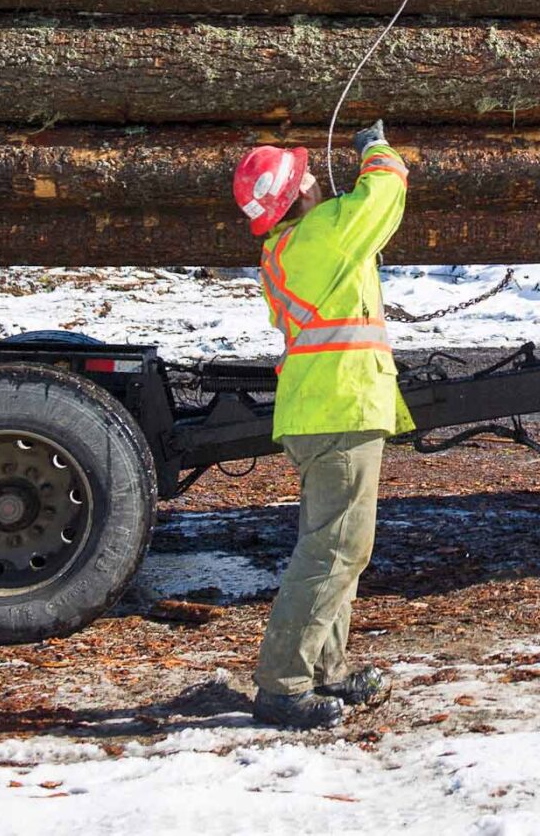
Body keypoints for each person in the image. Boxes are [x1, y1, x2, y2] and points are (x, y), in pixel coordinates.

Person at [231, 120, 413, 731]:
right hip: (339, 411)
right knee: (336, 549)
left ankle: (323, 670)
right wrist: (374, 148)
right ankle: (283, 684)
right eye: (305, 174)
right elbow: (386, 192)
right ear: (297, 194)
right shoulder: (322, 237)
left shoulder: (290, 246)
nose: (315, 176)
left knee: (338, 549)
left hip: (323, 413)